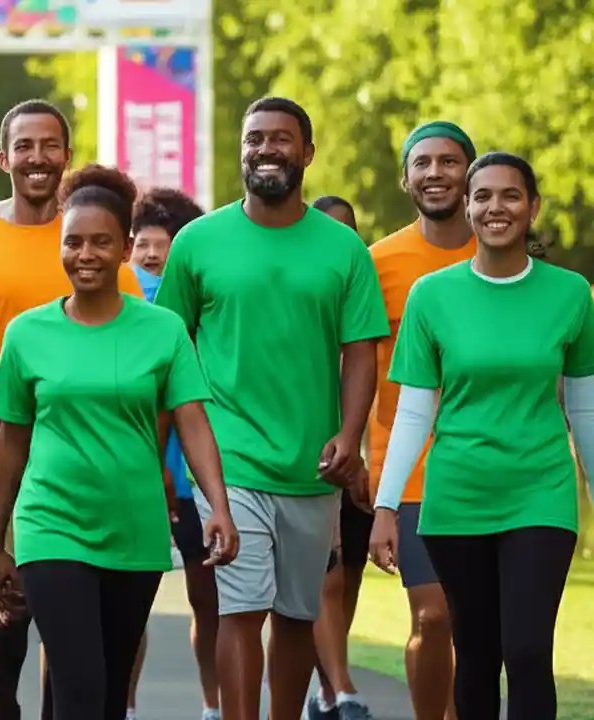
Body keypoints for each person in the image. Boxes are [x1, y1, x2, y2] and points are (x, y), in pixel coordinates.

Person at [154, 97, 388, 720]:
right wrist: (159, 456)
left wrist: (349, 435)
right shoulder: (198, 243)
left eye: (281, 139)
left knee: (296, 615)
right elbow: (168, 352)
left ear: (307, 152)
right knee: (241, 608)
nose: (265, 149)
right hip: (228, 462)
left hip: (313, 465)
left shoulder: (343, 249)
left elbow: (360, 353)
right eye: (254, 138)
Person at [0, 164, 239, 720]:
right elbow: (12, 442)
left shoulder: (163, 330)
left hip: (133, 530)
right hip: (52, 526)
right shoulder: (27, 334)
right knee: (79, 685)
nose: (86, 254)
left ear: (125, 249)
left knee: (107, 694)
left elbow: (193, 421)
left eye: (101, 242)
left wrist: (218, 505)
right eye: (73, 242)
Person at [0, 99, 142, 720]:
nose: (37, 157)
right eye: (24, 146)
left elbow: (135, 346)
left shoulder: (94, 238)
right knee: (11, 605)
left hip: (81, 454)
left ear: (66, 156)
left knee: (69, 622)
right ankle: (5, 704)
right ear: (4, 158)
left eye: (50, 145)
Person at [371, 151, 593, 720]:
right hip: (457, 498)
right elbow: (414, 412)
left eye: (511, 195)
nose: (497, 207)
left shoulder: (571, 295)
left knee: (527, 651)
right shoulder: (430, 295)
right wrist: (386, 505)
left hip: (540, 494)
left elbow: (585, 407)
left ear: (533, 207)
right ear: (468, 208)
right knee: (475, 654)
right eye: (484, 196)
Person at [364, 121, 479, 720]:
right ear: (406, 179)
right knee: (432, 615)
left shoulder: (503, 254)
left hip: (491, 464)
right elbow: (355, 365)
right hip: (407, 468)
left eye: (449, 161)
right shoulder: (378, 262)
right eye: (423, 163)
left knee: (478, 622)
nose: (436, 173)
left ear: (471, 173)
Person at [128, 187, 220, 720]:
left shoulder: (204, 296)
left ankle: (214, 704)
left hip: (194, 474)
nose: (150, 254)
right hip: (138, 469)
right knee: (127, 601)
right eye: (141, 243)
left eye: (161, 245)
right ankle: (125, 704)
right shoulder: (120, 296)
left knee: (208, 598)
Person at [298, 194, 377, 720]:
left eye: (349, 229)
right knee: (322, 575)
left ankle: (325, 684)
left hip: (367, 459)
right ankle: (340, 690)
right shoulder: (304, 292)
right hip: (316, 457)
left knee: (348, 577)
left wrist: (367, 456)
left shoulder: (362, 286)